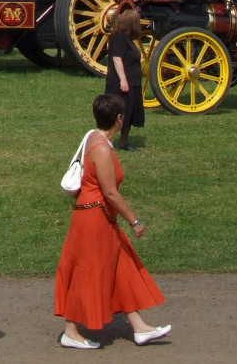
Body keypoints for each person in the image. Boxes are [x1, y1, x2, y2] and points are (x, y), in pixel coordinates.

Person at [55, 94, 171, 350]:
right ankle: (70, 331)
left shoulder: (92, 137)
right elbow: (110, 192)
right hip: (94, 220)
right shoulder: (102, 150)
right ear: (118, 119)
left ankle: (139, 327)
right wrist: (134, 220)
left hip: (98, 218)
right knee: (87, 272)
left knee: (122, 267)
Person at [103, 8, 145, 151]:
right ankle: (108, 141)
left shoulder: (127, 39)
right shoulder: (119, 37)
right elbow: (116, 58)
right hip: (121, 83)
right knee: (117, 114)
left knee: (129, 113)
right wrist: (123, 80)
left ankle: (123, 143)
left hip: (133, 83)